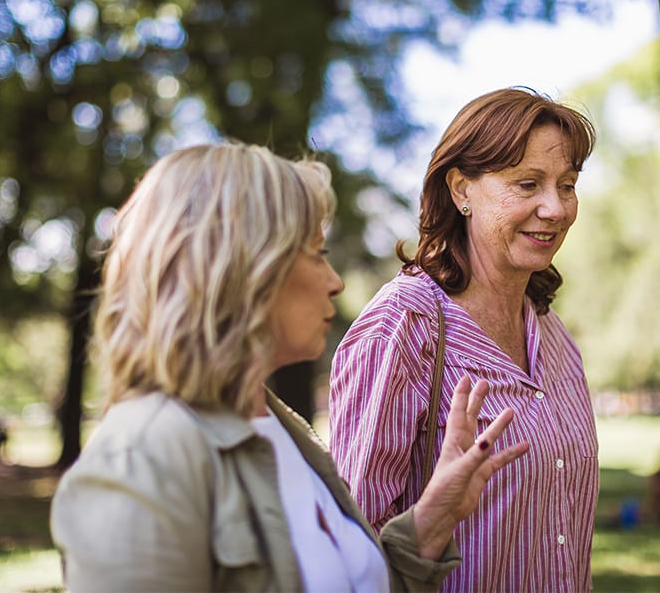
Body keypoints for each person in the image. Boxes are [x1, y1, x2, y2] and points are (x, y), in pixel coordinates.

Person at [50, 141, 530, 592]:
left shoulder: (280, 427)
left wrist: (430, 522)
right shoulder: (140, 462)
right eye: (317, 254)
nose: (336, 282)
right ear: (242, 267)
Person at [328, 87, 600, 592]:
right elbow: (353, 547)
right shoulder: (404, 326)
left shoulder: (553, 334)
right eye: (527, 184)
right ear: (461, 191)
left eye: (567, 185)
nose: (556, 209)